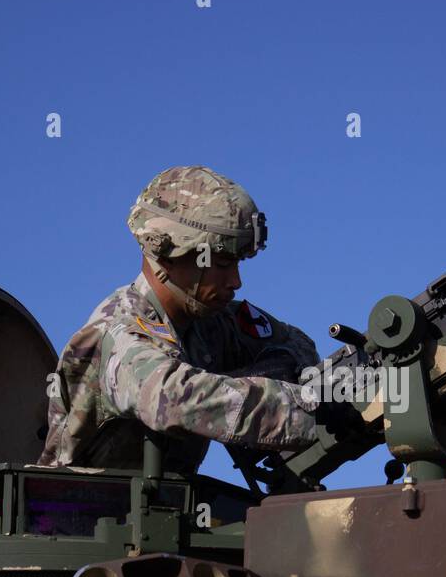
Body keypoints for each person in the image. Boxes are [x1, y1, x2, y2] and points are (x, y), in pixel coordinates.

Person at [38, 165, 322, 475]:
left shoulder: (214, 322)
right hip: (78, 504)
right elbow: (173, 399)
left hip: (168, 500)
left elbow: (298, 344)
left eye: (237, 263)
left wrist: (274, 374)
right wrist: (304, 407)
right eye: (222, 263)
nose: (236, 281)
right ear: (168, 253)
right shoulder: (118, 331)